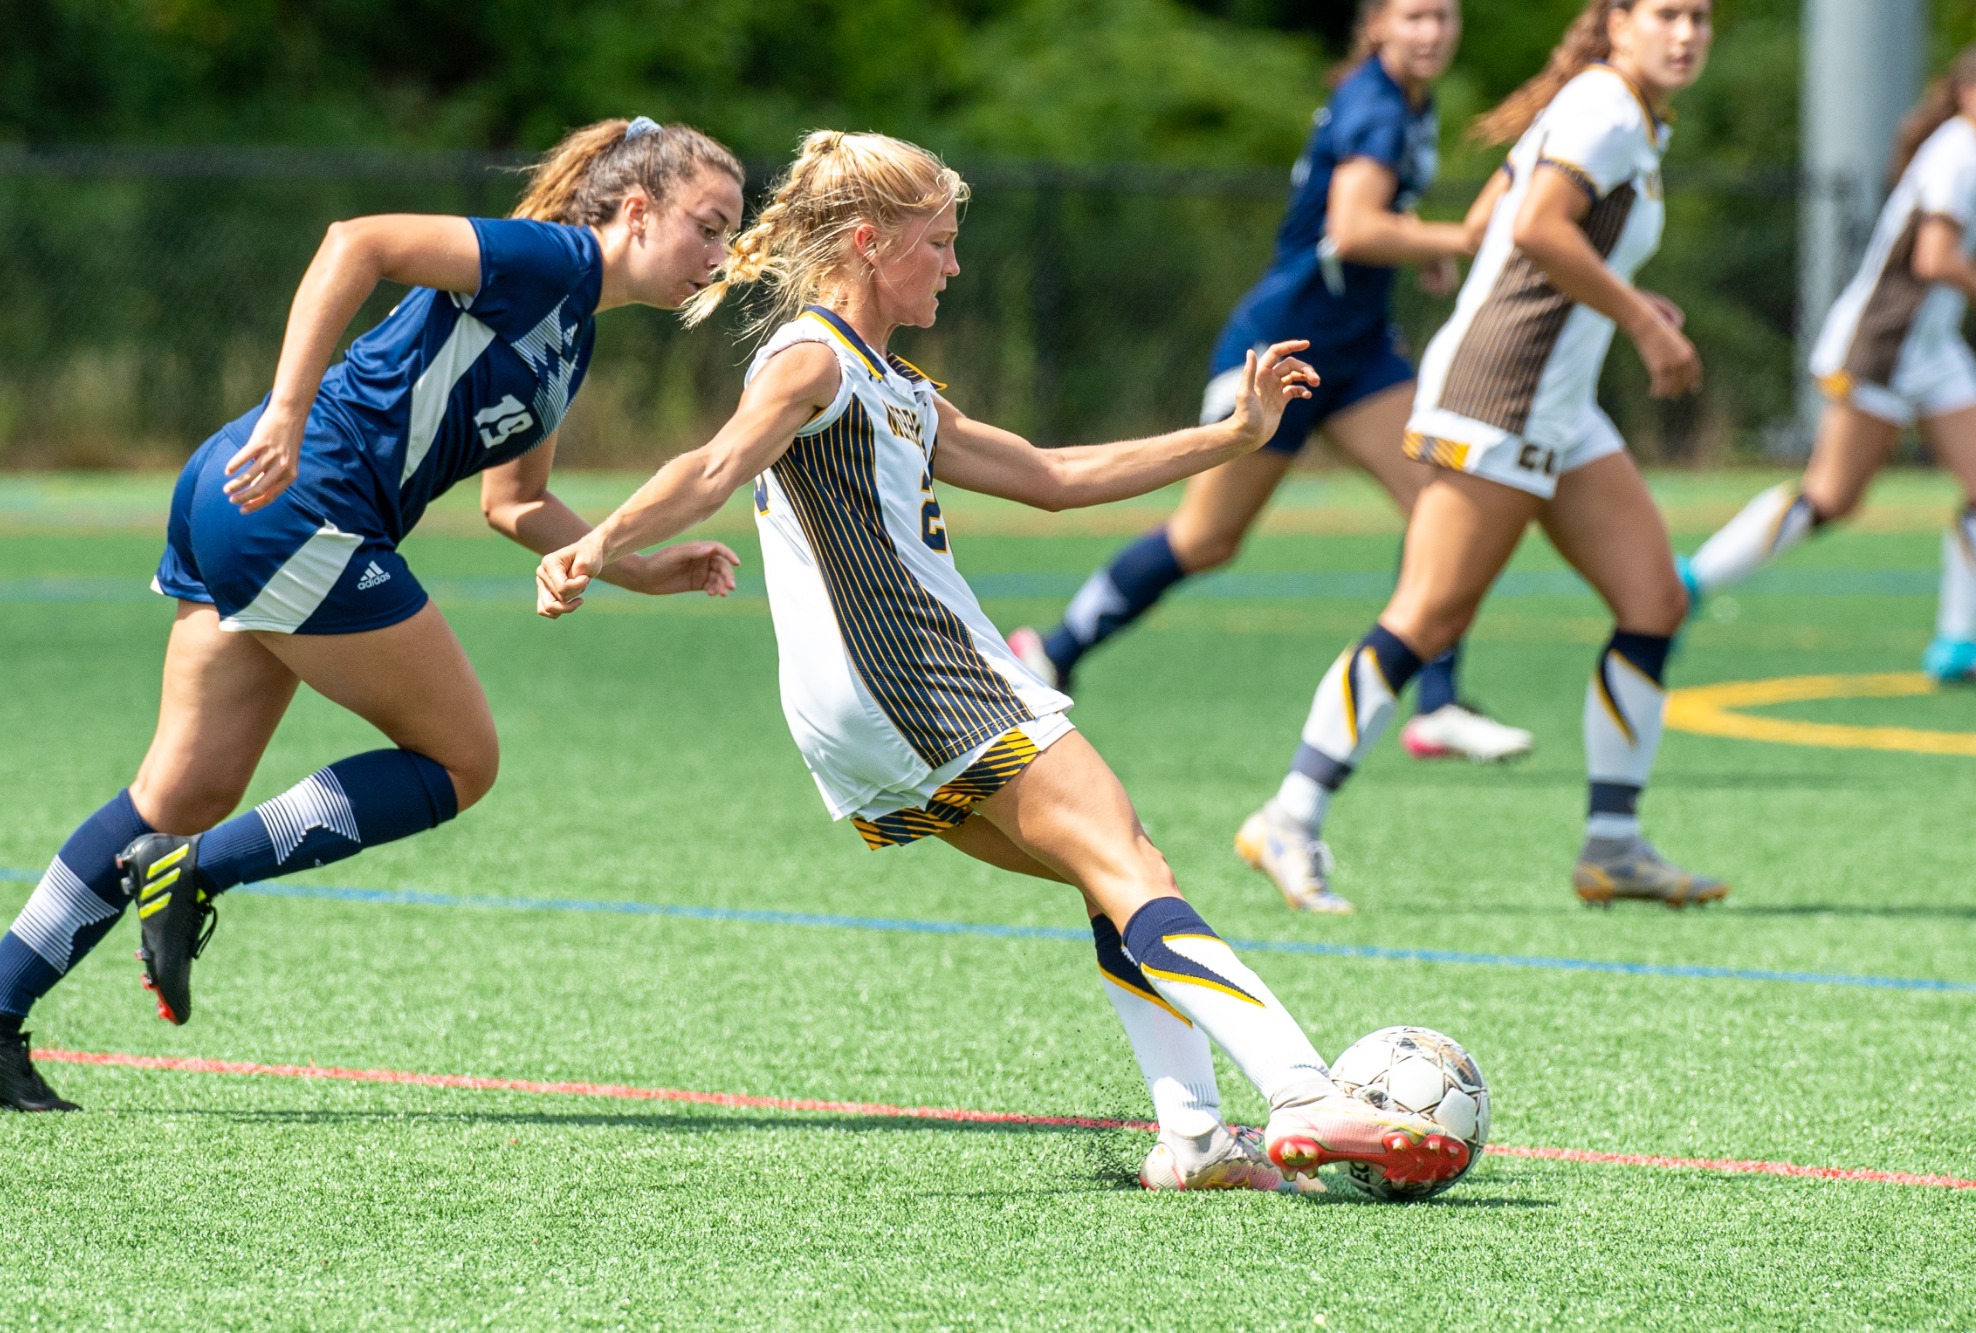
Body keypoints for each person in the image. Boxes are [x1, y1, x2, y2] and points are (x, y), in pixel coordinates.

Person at [534, 130, 1473, 1195]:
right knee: (1129, 865)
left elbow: (1051, 474)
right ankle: (1304, 1092)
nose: (953, 264)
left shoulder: (891, 383)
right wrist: (599, 542)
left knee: (1116, 870)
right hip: (918, 674)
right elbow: (708, 463)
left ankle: (1196, 1140)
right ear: (867, 241)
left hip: (860, 704)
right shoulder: (813, 359)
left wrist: (1230, 439)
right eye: (936, 242)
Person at [0, 118, 747, 1112]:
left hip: (243, 499)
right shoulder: (548, 257)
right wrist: (289, 412)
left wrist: (638, 569)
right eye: (708, 226)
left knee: (182, 788)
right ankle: (196, 873)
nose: (721, 257)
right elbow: (356, 242)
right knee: (461, 761)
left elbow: (512, 501)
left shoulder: (572, 332)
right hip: (299, 500)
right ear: (636, 212)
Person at [1009, 0, 1535, 853]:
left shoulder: (1406, 100)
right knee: (1207, 538)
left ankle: (1437, 706)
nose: (1432, 31)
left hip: (1359, 355)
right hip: (1284, 349)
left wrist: (1423, 245)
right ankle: (1054, 647)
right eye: (1414, 16)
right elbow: (1353, 226)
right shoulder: (1373, 103)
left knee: (1442, 499)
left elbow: (1368, 228)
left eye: (1444, 15)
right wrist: (1461, 236)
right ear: (1374, 24)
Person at [1240, 0, 1728, 911]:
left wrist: (1622, 300)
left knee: (1654, 599)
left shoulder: (1616, 109)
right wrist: (1635, 319)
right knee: (1425, 615)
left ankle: (1613, 845)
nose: (1687, 33)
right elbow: (1540, 226)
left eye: (1700, 17)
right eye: (1666, 14)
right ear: (1618, 24)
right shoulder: (1610, 108)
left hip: (1561, 405)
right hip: (1499, 395)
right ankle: (1289, 816)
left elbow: (1496, 217)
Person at [1685, 46, 1976, 681]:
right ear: (1966, 95)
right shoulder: (1960, 153)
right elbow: (1934, 260)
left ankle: (1960, 644)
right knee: (1831, 498)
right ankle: (1690, 584)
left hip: (1932, 351)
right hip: (1882, 345)